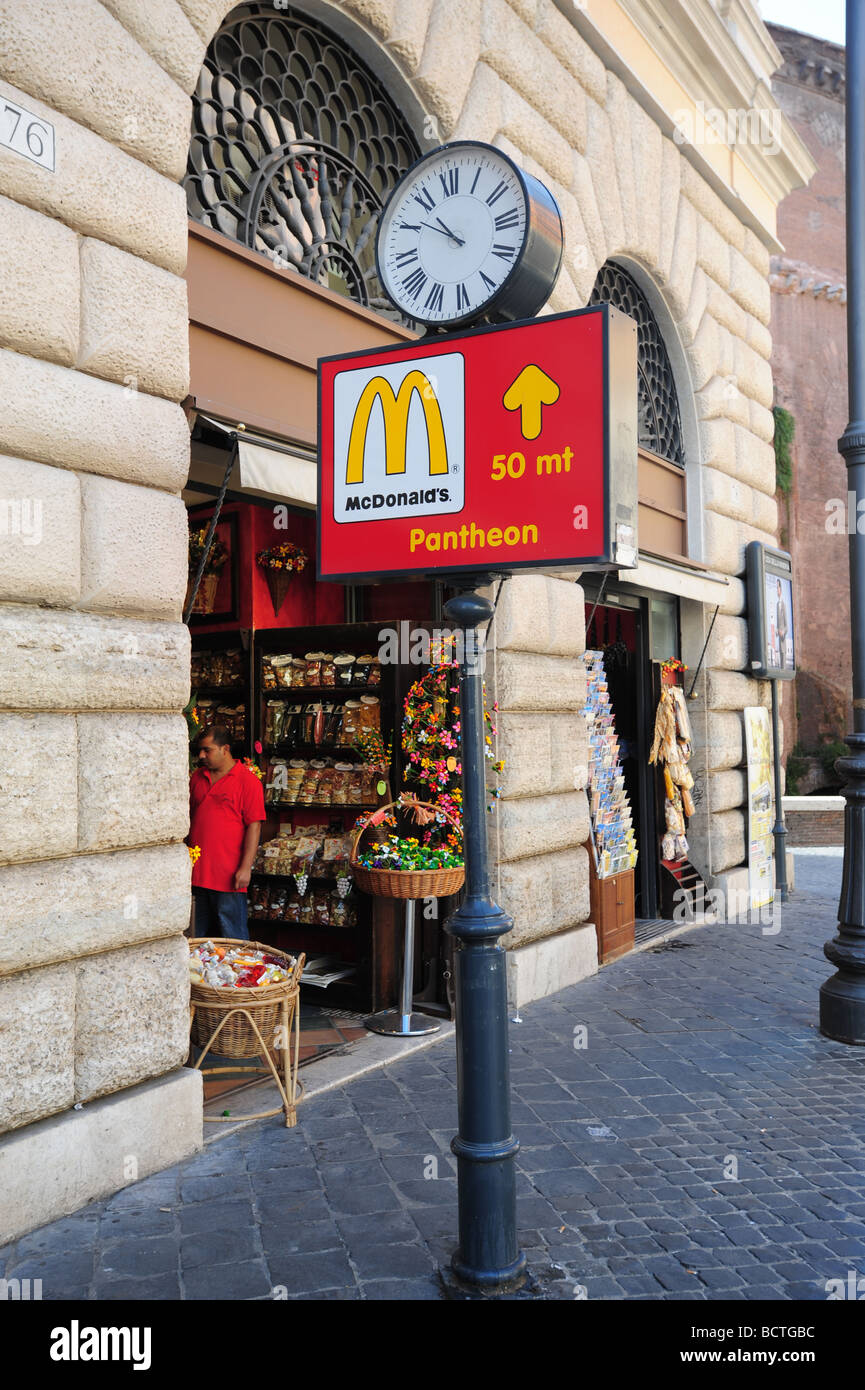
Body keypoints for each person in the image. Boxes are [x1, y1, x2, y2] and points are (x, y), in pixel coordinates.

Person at [189, 726, 266, 939]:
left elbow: (254, 826)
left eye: (207, 750)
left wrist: (245, 868)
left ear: (225, 749)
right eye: (200, 751)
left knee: (234, 938)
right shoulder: (197, 777)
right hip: (195, 873)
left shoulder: (247, 781)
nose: (202, 755)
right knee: (193, 939)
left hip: (228, 875)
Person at [775, 579, 789, 670]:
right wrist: (777, 631)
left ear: (781, 590)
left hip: (783, 635)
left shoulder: (783, 604)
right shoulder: (777, 604)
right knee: (780, 652)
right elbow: (777, 623)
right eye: (776, 588)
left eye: (778, 588)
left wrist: (782, 632)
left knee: (783, 652)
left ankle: (783, 671)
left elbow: (787, 624)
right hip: (779, 635)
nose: (777, 590)